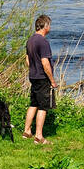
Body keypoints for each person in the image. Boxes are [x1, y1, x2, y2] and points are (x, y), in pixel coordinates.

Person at [23, 14, 58, 144]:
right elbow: (45, 63)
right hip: (43, 78)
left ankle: (27, 131)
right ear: (46, 26)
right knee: (43, 107)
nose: (50, 27)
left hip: (33, 76)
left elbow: (27, 59)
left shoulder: (30, 40)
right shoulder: (43, 42)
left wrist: (33, 69)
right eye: (49, 25)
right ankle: (39, 136)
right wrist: (52, 81)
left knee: (34, 103)